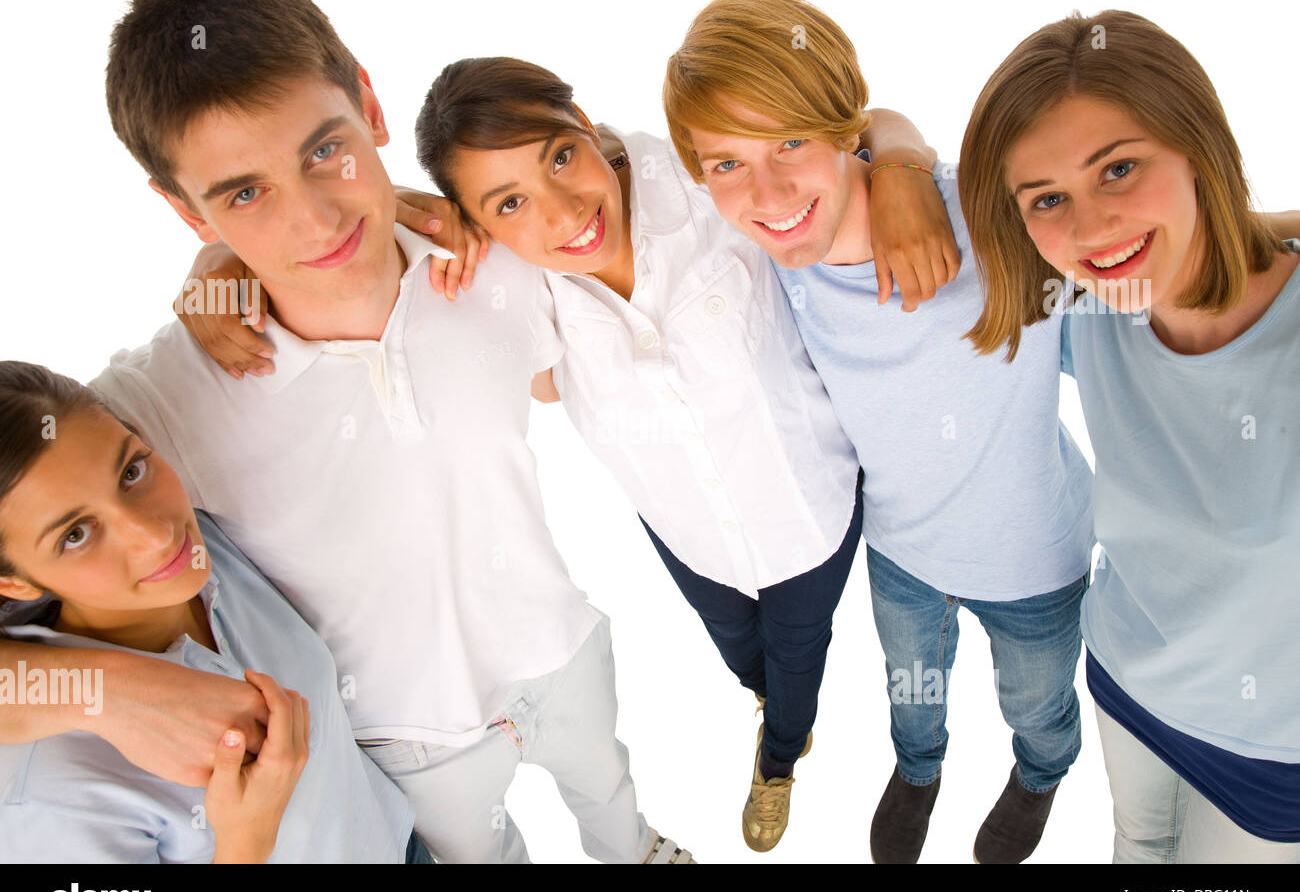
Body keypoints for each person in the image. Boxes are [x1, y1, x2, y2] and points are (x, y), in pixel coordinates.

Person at [175, 51, 959, 851]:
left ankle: (782, 755)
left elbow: (844, 139)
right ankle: (764, 697)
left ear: (585, 125)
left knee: (799, 659)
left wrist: (896, 163)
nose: (562, 211)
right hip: (686, 535)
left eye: (559, 156)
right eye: (509, 201)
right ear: (479, 223)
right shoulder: (506, 276)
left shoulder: (705, 184)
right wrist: (220, 268)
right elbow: (375, 259)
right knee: (742, 653)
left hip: (808, 517)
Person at [0, 0, 691, 865]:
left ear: (369, 103)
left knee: (612, 793)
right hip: (408, 739)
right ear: (185, 210)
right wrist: (101, 691)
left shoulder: (498, 252)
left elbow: (667, 184)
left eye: (326, 150)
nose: (317, 221)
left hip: (557, 646)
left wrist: (886, 154)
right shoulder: (146, 411)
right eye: (244, 194)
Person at [661, 0, 1095, 863]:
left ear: (842, 126)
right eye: (727, 163)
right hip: (900, 556)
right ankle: (919, 768)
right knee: (913, 694)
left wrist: (905, 164)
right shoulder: (755, 264)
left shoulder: (993, 217)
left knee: (1037, 704)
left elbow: (1164, 275)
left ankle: (1042, 773)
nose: (769, 193)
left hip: (1035, 560)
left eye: (789, 141)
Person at [957, 9, 1300, 863]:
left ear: (1199, 143)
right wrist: (890, 161)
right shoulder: (1086, 311)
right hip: (1125, 679)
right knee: (1137, 853)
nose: (1089, 230)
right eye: (1047, 198)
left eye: (1118, 167)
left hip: (1269, 751)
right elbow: (865, 173)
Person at [0, 362, 421, 862]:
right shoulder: (47, 793)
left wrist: (223, 284)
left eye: (132, 471)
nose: (156, 535)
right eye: (76, 535)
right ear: (14, 583)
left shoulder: (213, 545)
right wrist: (246, 840)